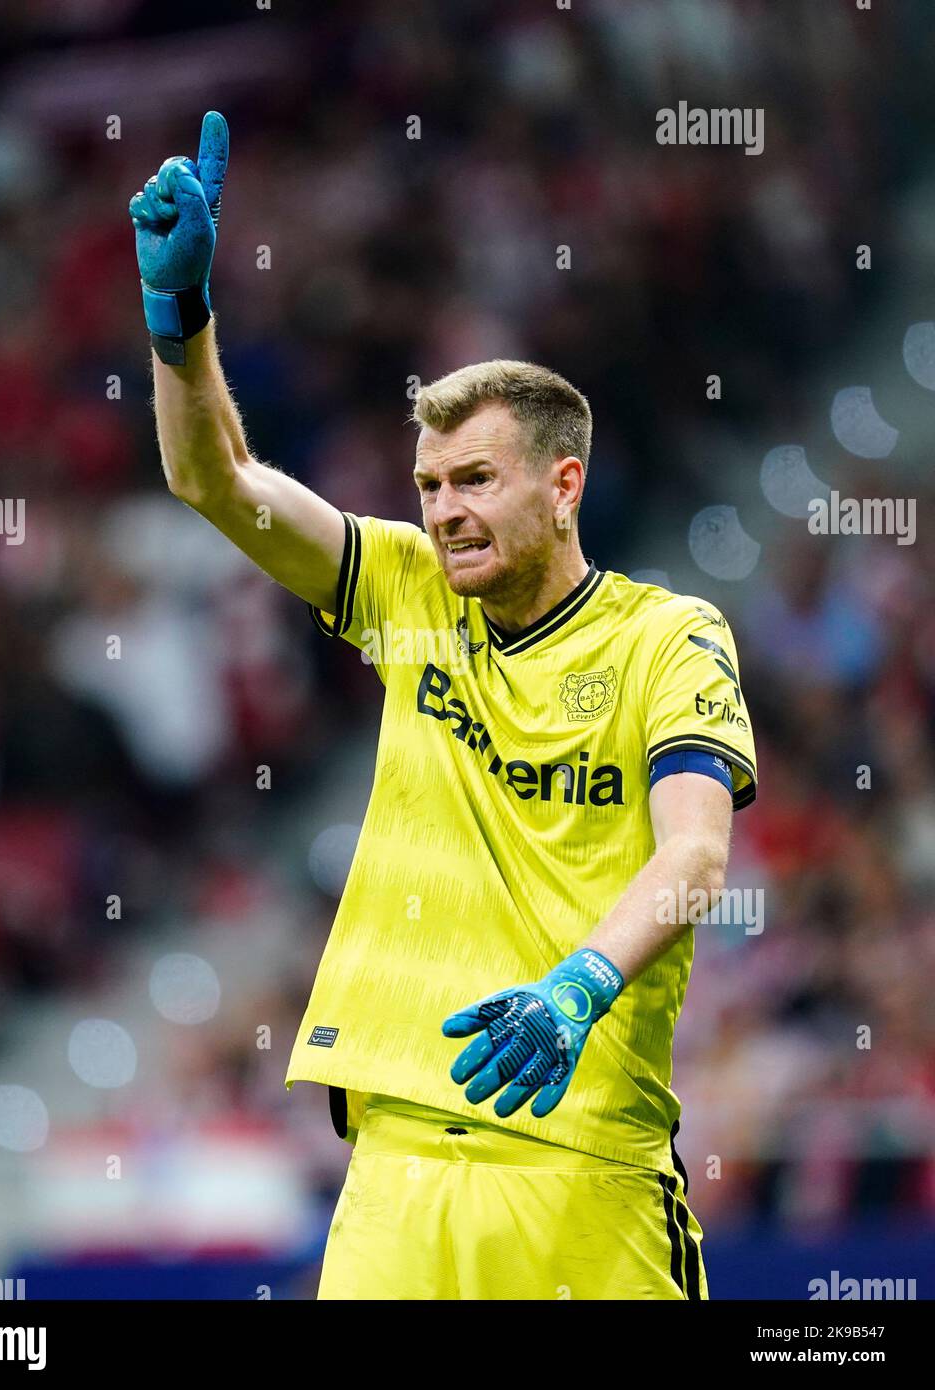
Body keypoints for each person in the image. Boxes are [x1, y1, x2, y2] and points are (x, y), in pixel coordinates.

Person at [130, 113, 757, 1300]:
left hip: (581, 1165)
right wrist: (181, 322)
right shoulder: (409, 595)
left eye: (475, 479)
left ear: (563, 484)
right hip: (395, 1168)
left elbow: (696, 853)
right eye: (426, 484)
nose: (443, 510)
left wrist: (578, 984)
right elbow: (216, 480)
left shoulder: (665, 637)